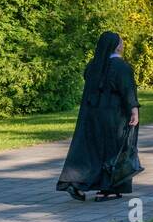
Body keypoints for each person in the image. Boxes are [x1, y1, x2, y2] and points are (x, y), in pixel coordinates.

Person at [56, 31, 142, 202]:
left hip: (93, 114)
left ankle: (77, 182)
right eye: (122, 42)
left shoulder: (93, 66)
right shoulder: (121, 67)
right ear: (117, 46)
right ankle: (108, 189)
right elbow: (127, 91)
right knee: (113, 150)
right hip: (114, 115)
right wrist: (134, 110)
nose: (123, 45)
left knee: (92, 150)